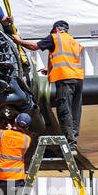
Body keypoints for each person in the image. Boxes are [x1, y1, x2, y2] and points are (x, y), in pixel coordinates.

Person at [17, 19, 83, 150]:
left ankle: (70, 143)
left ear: (57, 29)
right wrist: (50, 69)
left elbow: (34, 46)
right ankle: (74, 139)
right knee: (76, 110)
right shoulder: (73, 41)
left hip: (64, 78)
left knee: (64, 110)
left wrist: (19, 41)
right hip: (78, 78)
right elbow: (68, 59)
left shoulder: (55, 37)